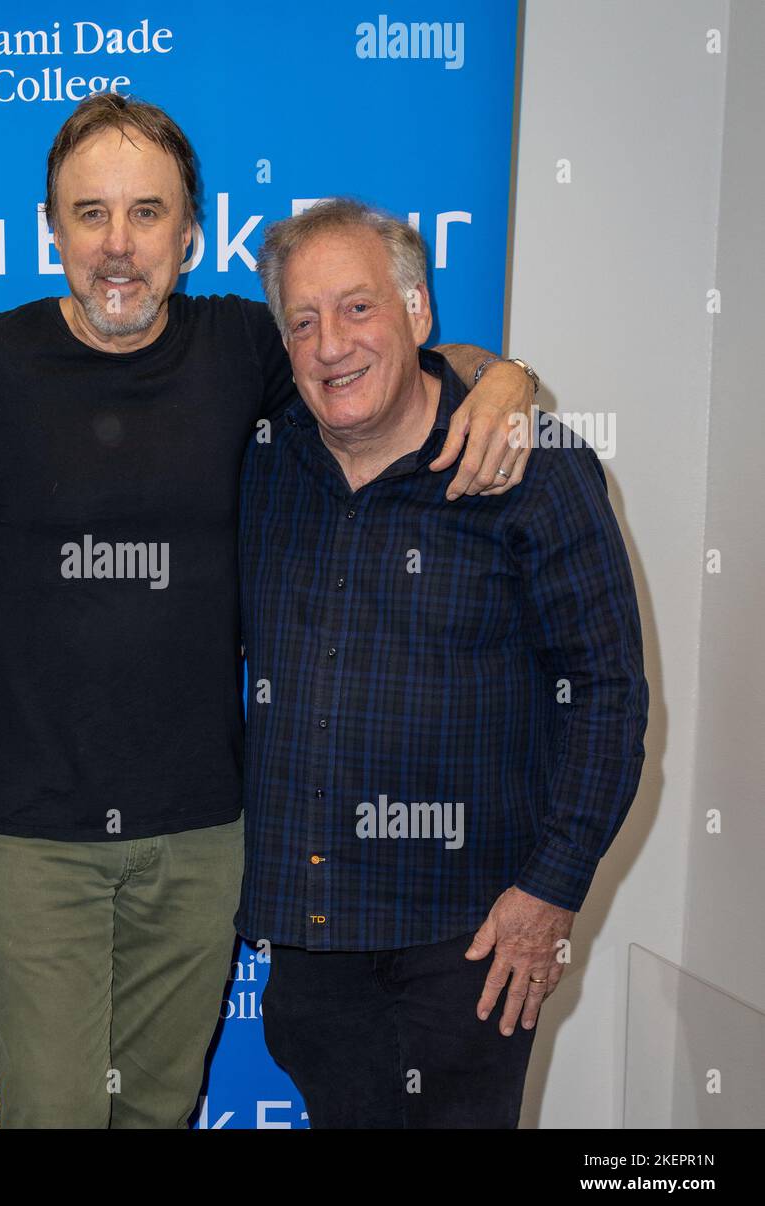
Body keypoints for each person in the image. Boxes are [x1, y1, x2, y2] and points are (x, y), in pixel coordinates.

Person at [0, 95, 538, 1128]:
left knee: (158, 1111)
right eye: (90, 214)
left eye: (146, 213)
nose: (118, 245)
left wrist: (509, 383)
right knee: (51, 1112)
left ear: (190, 232)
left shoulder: (242, 347)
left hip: (201, 834)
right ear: (51, 230)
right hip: (30, 838)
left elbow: (406, 366)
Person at [238, 198, 647, 1128]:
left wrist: (551, 892)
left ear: (418, 313)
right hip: (316, 938)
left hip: (471, 942)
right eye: (303, 321)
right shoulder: (264, 465)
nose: (331, 342)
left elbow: (611, 697)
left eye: (358, 308)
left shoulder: (535, 470)